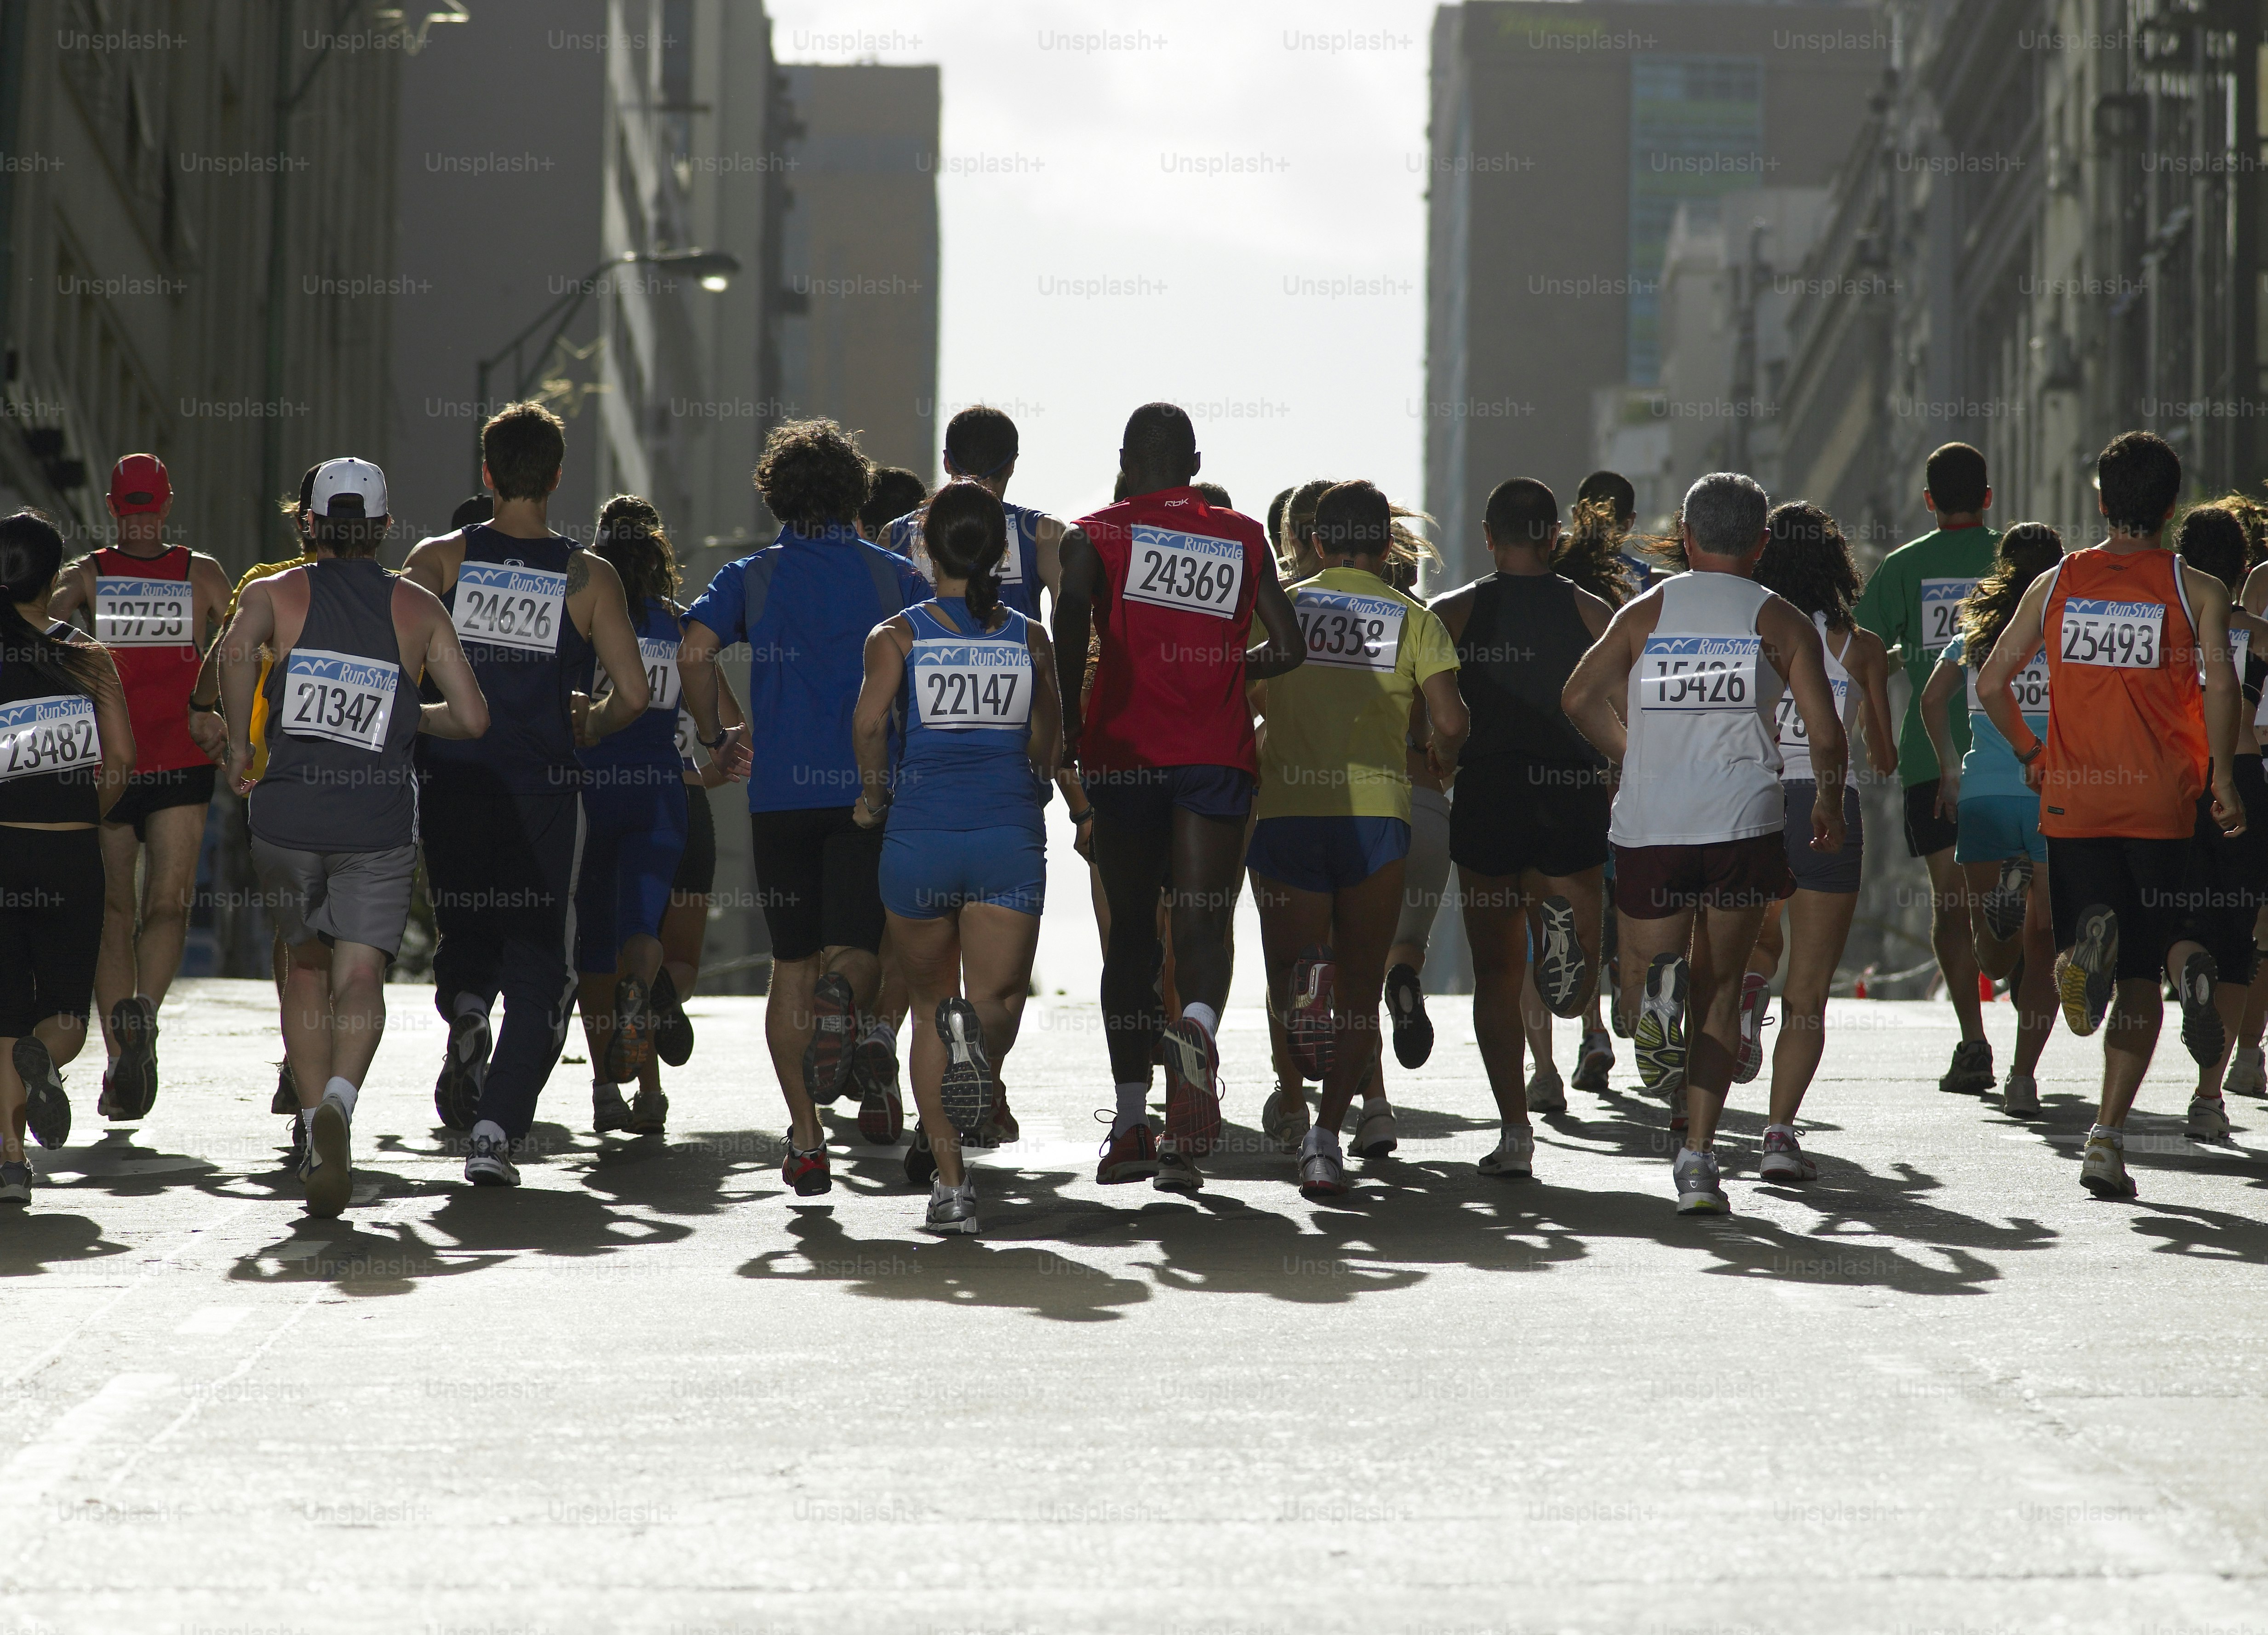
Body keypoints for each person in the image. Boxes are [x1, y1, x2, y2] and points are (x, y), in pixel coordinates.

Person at [1562, 471, 1848, 1214]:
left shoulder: (1645, 610)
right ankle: (1697, 1163)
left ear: (1684, 538)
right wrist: (1825, 803)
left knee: (1637, 975)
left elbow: (1577, 697)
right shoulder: (1779, 619)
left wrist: (1633, 754)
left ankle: (1655, 995)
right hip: (1742, 821)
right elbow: (1824, 733)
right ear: (1760, 543)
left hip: (1652, 821)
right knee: (1723, 994)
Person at [1975, 431, 2242, 1200]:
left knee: (2085, 957)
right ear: (2170, 506)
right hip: (2160, 803)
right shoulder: (2197, 592)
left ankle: (2075, 954)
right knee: (2135, 983)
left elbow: (1995, 683)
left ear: (2098, 501)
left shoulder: (2055, 585)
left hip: (2075, 800)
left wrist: (2032, 751)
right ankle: (2106, 1135)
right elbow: (2221, 690)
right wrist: (2222, 776)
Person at [219, 459, 489, 1216]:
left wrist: (242, 746)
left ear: (307, 522)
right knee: (361, 975)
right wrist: (410, 715)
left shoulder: (273, 594)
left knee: (304, 967)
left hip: (284, 819)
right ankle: (340, 1101)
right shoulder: (418, 606)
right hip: (375, 823)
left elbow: (232, 655)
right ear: (381, 528)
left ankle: (311, 1127)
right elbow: (473, 718)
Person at [1054, 402, 1304, 1194]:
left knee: (1132, 938)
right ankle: (1195, 1029)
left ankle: (1132, 1123)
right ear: (1195, 461)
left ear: (1125, 460)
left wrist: (1068, 729)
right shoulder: (1239, 535)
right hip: (1215, 756)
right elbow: (1290, 647)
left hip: (1124, 755)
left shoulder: (1092, 534)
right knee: (1202, 917)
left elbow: (1067, 623)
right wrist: (1232, 671)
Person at [402, 402, 654, 1188]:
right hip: (542, 791)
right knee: (543, 965)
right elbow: (636, 696)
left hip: (453, 783)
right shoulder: (590, 577)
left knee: (468, 926)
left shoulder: (438, 561)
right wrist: (593, 719)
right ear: (554, 478)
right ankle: (494, 1133)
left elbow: (395, 671)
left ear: (486, 474)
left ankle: (468, 1014)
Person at [679, 419, 927, 1197]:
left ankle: (807, 1138)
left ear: (778, 496)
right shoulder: (896, 579)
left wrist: (721, 737)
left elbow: (692, 648)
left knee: (789, 963)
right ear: (856, 494)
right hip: (866, 791)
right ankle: (844, 1001)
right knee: (856, 946)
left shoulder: (752, 576)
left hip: (778, 797)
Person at [850, 480, 1061, 1233]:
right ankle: (982, 1058)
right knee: (995, 1000)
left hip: (918, 840)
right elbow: (1049, 742)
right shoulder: (1031, 638)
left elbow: (870, 725)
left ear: (928, 549)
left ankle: (950, 1188)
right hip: (1007, 838)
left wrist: (875, 797)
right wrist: (1025, 777)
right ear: (1001, 556)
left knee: (929, 1010)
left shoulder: (896, 637)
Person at [1248, 480, 1466, 1196]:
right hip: (1375, 817)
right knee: (1361, 990)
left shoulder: (1281, 608)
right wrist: (1442, 757)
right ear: (1385, 547)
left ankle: (1304, 1029)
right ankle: (1326, 1137)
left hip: (1287, 810)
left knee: (1290, 977)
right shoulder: (1414, 617)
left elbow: (1247, 689)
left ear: (1315, 543)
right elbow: (1453, 719)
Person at [1429, 478, 1617, 1177]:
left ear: (1486, 536)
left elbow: (1433, 713)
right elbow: (1625, 704)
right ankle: (1564, 940)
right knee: (1577, 952)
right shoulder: (1592, 608)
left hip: (1489, 791)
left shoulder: (1453, 611)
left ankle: (1515, 1130)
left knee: (1494, 974)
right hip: (1569, 789)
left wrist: (1440, 756)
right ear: (1553, 537)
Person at [46, 454, 231, 1123]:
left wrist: (221, 717)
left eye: (148, 512)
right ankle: (132, 1039)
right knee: (140, 908)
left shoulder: (164, 572)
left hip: (150, 759)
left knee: (143, 907)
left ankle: (132, 1035)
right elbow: (34, 621)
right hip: (134, 760)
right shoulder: (114, 572)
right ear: (121, 508)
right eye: (136, 513)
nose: (144, 525)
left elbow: (241, 643)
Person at [573, 496, 746, 1136]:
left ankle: (603, 1093)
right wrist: (698, 768)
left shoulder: (585, 619)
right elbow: (734, 730)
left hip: (592, 792)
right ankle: (649, 1091)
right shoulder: (680, 627)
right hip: (662, 792)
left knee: (596, 941)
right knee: (644, 929)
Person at [1733, 503, 1897, 1179]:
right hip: (1831, 806)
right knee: (1810, 992)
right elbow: (1883, 756)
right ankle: (1778, 1135)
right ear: (1836, 565)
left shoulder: (1750, 633)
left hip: (1756, 801)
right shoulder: (1860, 648)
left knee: (1757, 937)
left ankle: (1746, 990)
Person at [1853, 442, 2000, 1091]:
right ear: (1990, 498)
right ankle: (2024, 975)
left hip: (1931, 756)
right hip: (2021, 749)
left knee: (1952, 902)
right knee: (2018, 886)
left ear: (1929, 501)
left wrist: (1879, 728)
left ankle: (1973, 1040)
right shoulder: (2019, 560)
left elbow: (1863, 654)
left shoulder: (1902, 566)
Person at [0, 510, 133, 1205]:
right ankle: (44, 1064)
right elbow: (123, 760)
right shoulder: (89, 655)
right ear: (54, 580)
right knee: (65, 1019)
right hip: (69, 853)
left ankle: (9, 1159)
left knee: (3, 1016)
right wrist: (88, 812)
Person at [1918, 523, 2068, 1116]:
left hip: (1984, 795)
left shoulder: (1978, 635)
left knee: (1994, 957)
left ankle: (1998, 927)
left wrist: (1950, 770)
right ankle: (2023, 1079)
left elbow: (1931, 700)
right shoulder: (2068, 634)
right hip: (2055, 794)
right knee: (2048, 939)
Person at [2166, 504, 2268, 1142]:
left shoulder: (2163, 623)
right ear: (2239, 567)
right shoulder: (2259, 634)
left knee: (2168, 913)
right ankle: (2209, 1095)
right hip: (2244, 781)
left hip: (2173, 779)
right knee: (2238, 942)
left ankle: (2182, 969)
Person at [886, 406, 1082, 623]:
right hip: (1016, 655)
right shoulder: (1045, 532)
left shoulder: (894, 535)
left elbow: (877, 625)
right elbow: (1072, 615)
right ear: (1011, 465)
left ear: (947, 461)